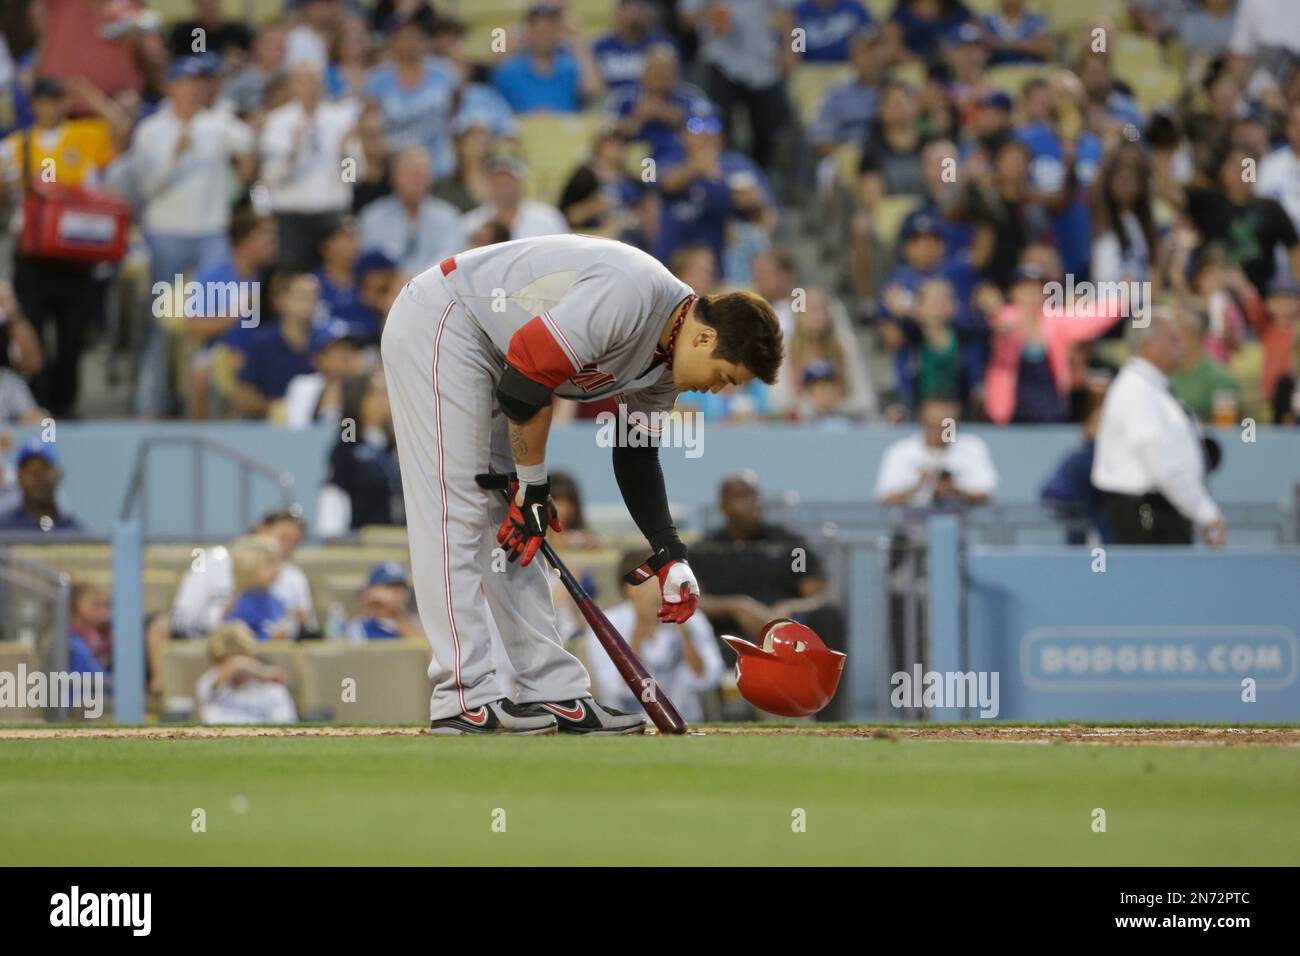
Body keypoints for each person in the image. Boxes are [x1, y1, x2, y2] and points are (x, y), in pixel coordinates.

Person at [380, 233, 784, 734]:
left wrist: (669, 553)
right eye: (725, 375)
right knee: (457, 505)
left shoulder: (666, 368)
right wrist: (533, 485)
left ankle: (553, 692)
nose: (719, 389)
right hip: (445, 318)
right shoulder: (631, 294)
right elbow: (527, 375)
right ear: (704, 339)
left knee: (514, 530)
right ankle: (461, 695)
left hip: (494, 351)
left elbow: (635, 456)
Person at [130, 55, 256, 418]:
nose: (197, 87)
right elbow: (147, 189)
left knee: (217, 318)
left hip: (211, 235)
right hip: (166, 235)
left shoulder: (216, 123)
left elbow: (250, 143)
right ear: (171, 85)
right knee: (163, 323)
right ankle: (150, 403)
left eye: (202, 81)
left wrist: (243, 174)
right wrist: (175, 157)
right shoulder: (151, 130)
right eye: (189, 81)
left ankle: (204, 403)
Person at [0, 76, 119, 417]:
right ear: (34, 104)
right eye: (44, 100)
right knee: (32, 330)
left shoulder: (84, 135)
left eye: (57, 100)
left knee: (72, 335)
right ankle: (36, 406)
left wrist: (88, 92)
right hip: (34, 253)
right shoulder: (16, 146)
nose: (50, 107)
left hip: (74, 250)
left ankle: (65, 406)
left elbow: (121, 128)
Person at [1092, 308, 1226, 547]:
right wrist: (1205, 512)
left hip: (1160, 509)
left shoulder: (1152, 388)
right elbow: (1159, 460)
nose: (1181, 348)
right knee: (1154, 582)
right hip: (1147, 514)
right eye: (1173, 339)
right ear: (1148, 344)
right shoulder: (1136, 390)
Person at [588, 549, 726, 724]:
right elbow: (615, 689)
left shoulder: (692, 618)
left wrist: (682, 627)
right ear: (629, 588)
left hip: (685, 722)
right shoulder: (605, 623)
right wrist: (640, 627)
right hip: (626, 725)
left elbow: (707, 679)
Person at [258, 60, 362, 271]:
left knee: (335, 276)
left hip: (331, 213)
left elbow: (352, 178)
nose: (310, 86)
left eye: (314, 80)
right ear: (293, 85)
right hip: (291, 216)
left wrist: (344, 153)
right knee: (291, 277)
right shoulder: (278, 122)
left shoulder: (341, 119)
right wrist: (292, 155)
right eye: (303, 81)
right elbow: (270, 178)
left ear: (322, 83)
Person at [357, 147, 466, 277]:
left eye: (423, 174)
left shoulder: (449, 216)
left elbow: (452, 261)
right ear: (394, 177)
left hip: (435, 288)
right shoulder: (372, 217)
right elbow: (370, 267)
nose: (418, 181)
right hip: (389, 292)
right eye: (412, 174)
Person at [874, 397, 997, 508]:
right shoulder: (900, 452)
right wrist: (918, 485)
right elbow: (885, 498)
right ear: (922, 423)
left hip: (959, 529)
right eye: (934, 425)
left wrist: (952, 489)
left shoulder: (972, 448)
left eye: (947, 425)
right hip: (911, 530)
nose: (941, 431)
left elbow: (986, 494)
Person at [233, 273, 320, 418]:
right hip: (269, 429)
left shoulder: (326, 343)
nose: (309, 303)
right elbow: (243, 395)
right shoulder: (262, 343)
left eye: (314, 297)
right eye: (302, 296)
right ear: (282, 300)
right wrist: (272, 409)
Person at [490, 3, 603, 114]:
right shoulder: (510, 69)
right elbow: (495, 100)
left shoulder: (569, 66)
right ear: (528, 33)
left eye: (551, 30)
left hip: (566, 129)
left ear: (559, 34)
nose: (545, 36)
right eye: (539, 31)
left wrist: (578, 43)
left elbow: (594, 91)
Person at [196, 621, 298, 724]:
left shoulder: (271, 689)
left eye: (241, 656)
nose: (233, 670)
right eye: (225, 662)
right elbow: (234, 666)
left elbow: (286, 731)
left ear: (251, 656)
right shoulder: (210, 682)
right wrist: (262, 671)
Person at [461, 156, 569, 242]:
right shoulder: (472, 223)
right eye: (497, 182)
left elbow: (565, 254)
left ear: (521, 184)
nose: (503, 187)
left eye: (508, 181)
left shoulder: (547, 218)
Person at [0, 439, 85, 532]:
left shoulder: (77, 533)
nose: (38, 477)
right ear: (19, 477)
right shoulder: (4, 529)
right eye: (32, 471)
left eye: (44, 470)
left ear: (58, 474)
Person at [223, 534, 296, 641]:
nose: (277, 568)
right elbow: (237, 642)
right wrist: (269, 638)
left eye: (278, 563)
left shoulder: (277, 602)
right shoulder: (241, 607)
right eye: (270, 564)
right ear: (250, 568)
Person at [344, 561, 421, 640]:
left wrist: (398, 618)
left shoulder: (416, 621)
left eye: (401, 586)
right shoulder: (359, 627)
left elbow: (427, 647)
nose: (398, 592)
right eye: (390, 586)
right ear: (372, 590)